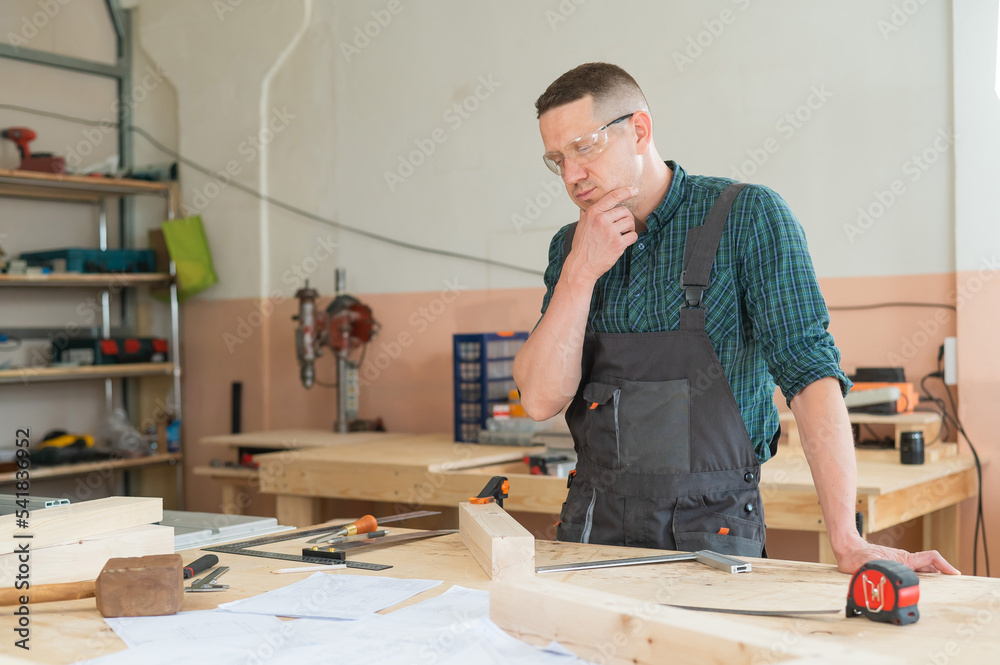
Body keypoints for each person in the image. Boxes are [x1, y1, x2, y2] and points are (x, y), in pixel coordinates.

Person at [512, 62, 959, 575]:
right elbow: (542, 398)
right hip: (590, 533)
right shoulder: (570, 248)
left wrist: (846, 537)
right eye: (556, 159)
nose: (572, 175)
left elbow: (810, 374)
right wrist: (579, 273)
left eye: (585, 147)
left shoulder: (747, 217)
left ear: (639, 130)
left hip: (711, 535)